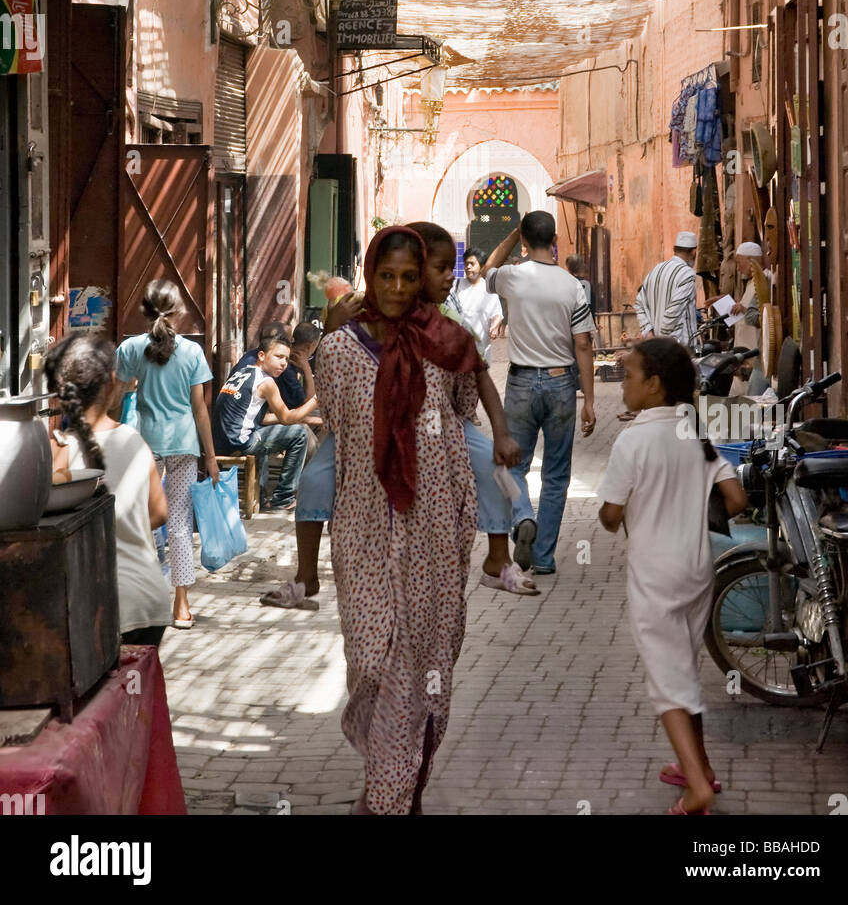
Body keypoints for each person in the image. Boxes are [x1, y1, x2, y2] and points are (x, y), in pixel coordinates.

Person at [264, 221, 537, 609]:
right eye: (439, 268)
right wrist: (331, 328)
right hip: (364, 430)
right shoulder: (357, 316)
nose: (447, 278)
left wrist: (501, 432)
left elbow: (477, 376)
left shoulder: (446, 320)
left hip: (439, 428)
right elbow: (332, 374)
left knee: (497, 470)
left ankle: (499, 557)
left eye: (448, 270)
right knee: (313, 481)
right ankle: (306, 577)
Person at [314, 226, 481, 815]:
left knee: (425, 661)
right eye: (386, 275)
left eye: (410, 277)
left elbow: (463, 414)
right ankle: (392, 779)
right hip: (363, 524)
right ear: (369, 273)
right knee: (372, 659)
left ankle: (391, 796)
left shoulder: (445, 344)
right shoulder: (337, 352)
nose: (397, 287)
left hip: (435, 524)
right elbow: (337, 431)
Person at [598, 338, 747, 815]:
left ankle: (697, 791)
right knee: (683, 668)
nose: (624, 384)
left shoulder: (633, 440)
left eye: (630, 375)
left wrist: (619, 513)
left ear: (654, 384)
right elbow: (737, 499)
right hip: (697, 569)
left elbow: (610, 513)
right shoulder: (695, 433)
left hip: (655, 576)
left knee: (668, 683)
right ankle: (698, 768)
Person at [484, 210, 596, 576]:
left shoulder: (512, 276)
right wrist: (590, 401)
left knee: (508, 466)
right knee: (557, 474)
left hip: (520, 383)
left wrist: (512, 236)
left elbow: (487, 267)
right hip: (562, 384)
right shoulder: (572, 285)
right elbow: (583, 344)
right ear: (555, 241)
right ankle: (544, 557)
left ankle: (521, 519)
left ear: (525, 239)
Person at [46, 335, 171, 645]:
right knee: (137, 692)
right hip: (148, 597)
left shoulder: (55, 451)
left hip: (95, 605)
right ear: (112, 384)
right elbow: (158, 513)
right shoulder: (134, 441)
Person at [115, 281, 219, 630]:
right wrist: (212, 457)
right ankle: (182, 604)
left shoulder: (130, 348)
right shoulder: (192, 353)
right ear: (178, 311)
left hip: (144, 447)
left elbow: (116, 400)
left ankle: (142, 596)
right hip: (185, 447)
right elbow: (200, 409)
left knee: (141, 520)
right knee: (178, 524)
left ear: (144, 310)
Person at [213, 329, 315, 513]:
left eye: (286, 358)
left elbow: (257, 417)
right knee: (299, 433)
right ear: (261, 355)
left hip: (219, 440)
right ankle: (283, 498)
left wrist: (302, 416)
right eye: (278, 357)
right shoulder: (266, 383)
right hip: (237, 441)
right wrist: (316, 400)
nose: (283, 363)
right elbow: (286, 418)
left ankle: (260, 496)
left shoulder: (243, 372)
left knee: (269, 432)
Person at [634, 231, 700, 349]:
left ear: (675, 249)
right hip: (678, 347)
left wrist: (648, 332)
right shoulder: (687, 273)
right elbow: (674, 311)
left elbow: (639, 304)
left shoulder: (656, 270)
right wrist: (662, 338)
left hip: (659, 345)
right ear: (694, 252)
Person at [727, 241, 770, 396]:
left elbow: (763, 314)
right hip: (743, 348)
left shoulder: (764, 280)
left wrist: (744, 309)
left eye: (740, 263)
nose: (738, 268)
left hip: (755, 350)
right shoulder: (751, 283)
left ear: (752, 261)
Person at [449, 249, 503, 363]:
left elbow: (497, 313)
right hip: (456, 349)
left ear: (481, 266)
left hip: (481, 352)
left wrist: (495, 326)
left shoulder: (488, 289)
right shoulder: (455, 285)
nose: (468, 267)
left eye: (472, 264)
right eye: (466, 263)